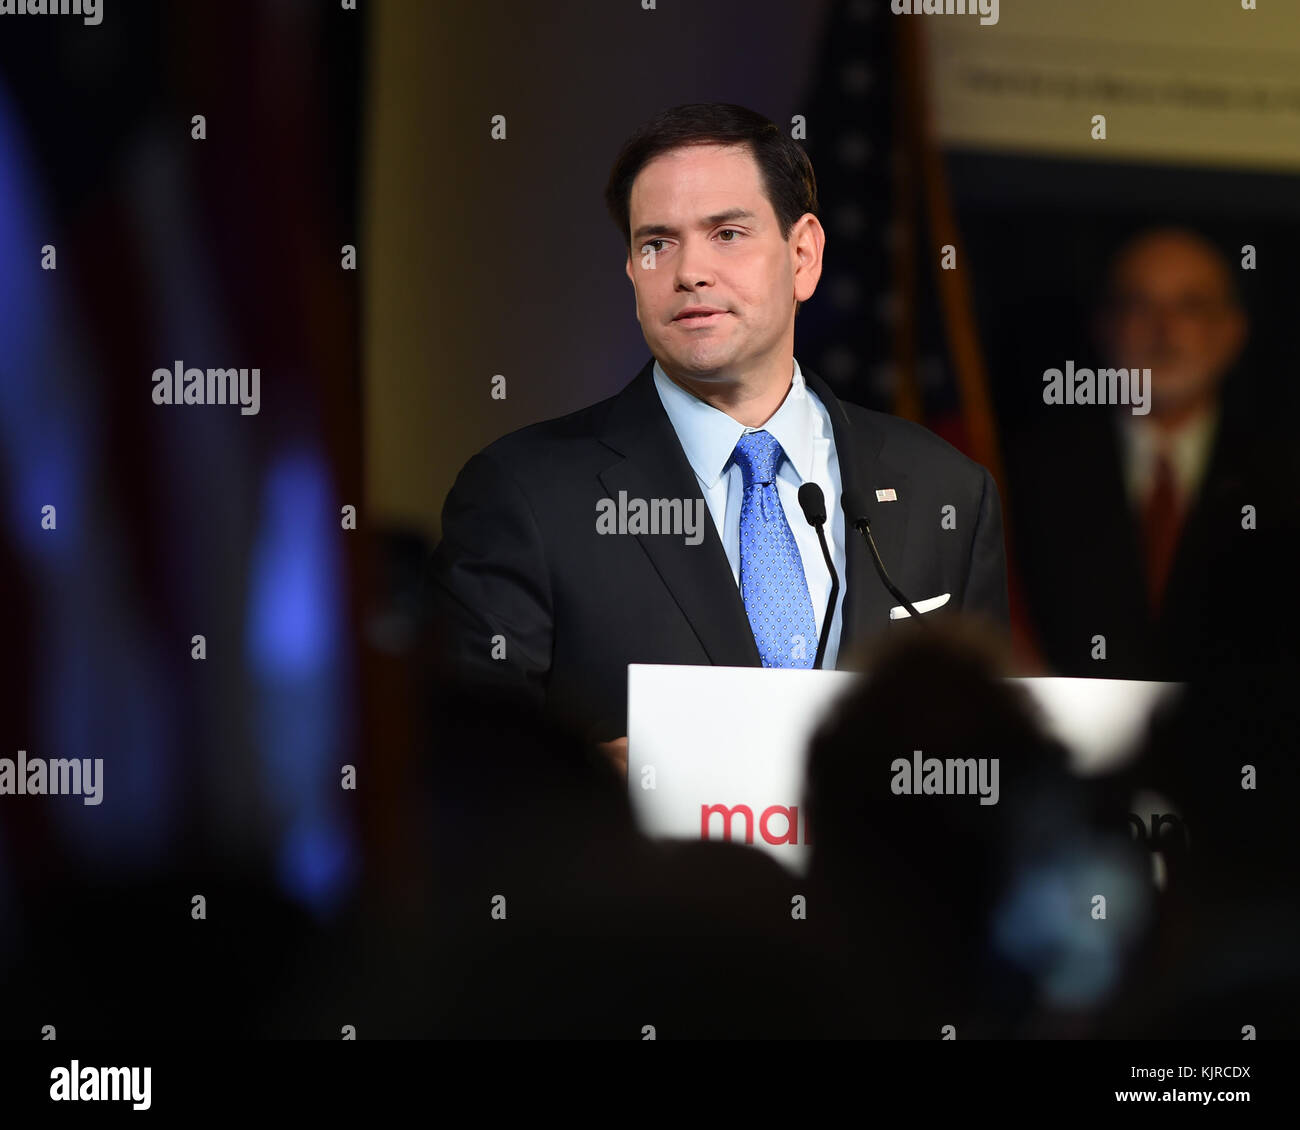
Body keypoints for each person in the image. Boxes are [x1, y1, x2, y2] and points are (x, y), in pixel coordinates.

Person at [428, 103, 1009, 759]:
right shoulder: (525, 495)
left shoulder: (946, 493)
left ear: (804, 255)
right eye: (657, 243)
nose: (689, 272)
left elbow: (991, 764)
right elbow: (457, 776)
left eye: (726, 233)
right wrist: (591, 790)